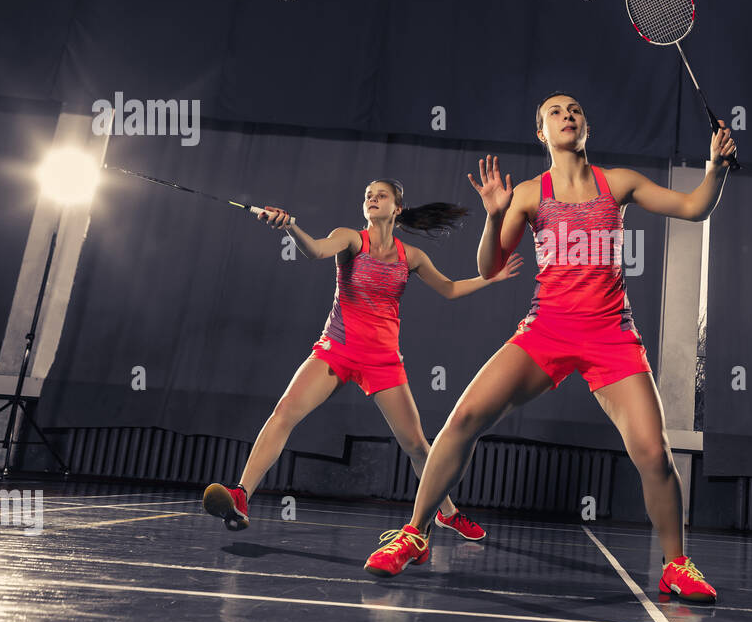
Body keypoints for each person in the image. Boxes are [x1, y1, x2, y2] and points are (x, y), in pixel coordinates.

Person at [364, 93, 736, 602]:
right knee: (464, 418)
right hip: (548, 330)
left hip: (611, 334)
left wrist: (716, 167)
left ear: (586, 127)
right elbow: (489, 270)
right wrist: (496, 216)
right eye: (556, 112)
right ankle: (415, 534)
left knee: (654, 453)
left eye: (576, 110)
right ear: (542, 132)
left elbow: (694, 208)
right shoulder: (528, 194)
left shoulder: (618, 183)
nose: (568, 116)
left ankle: (676, 566)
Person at [201, 179, 522, 541]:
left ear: (397, 208)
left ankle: (447, 513)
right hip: (336, 348)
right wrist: (291, 226)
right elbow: (316, 251)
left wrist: (489, 279)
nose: (372, 199)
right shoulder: (351, 239)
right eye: (368, 195)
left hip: (382, 360)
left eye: (381, 195)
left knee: (417, 445)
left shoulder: (411, 257)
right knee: (285, 411)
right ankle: (242, 495)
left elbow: (449, 289)